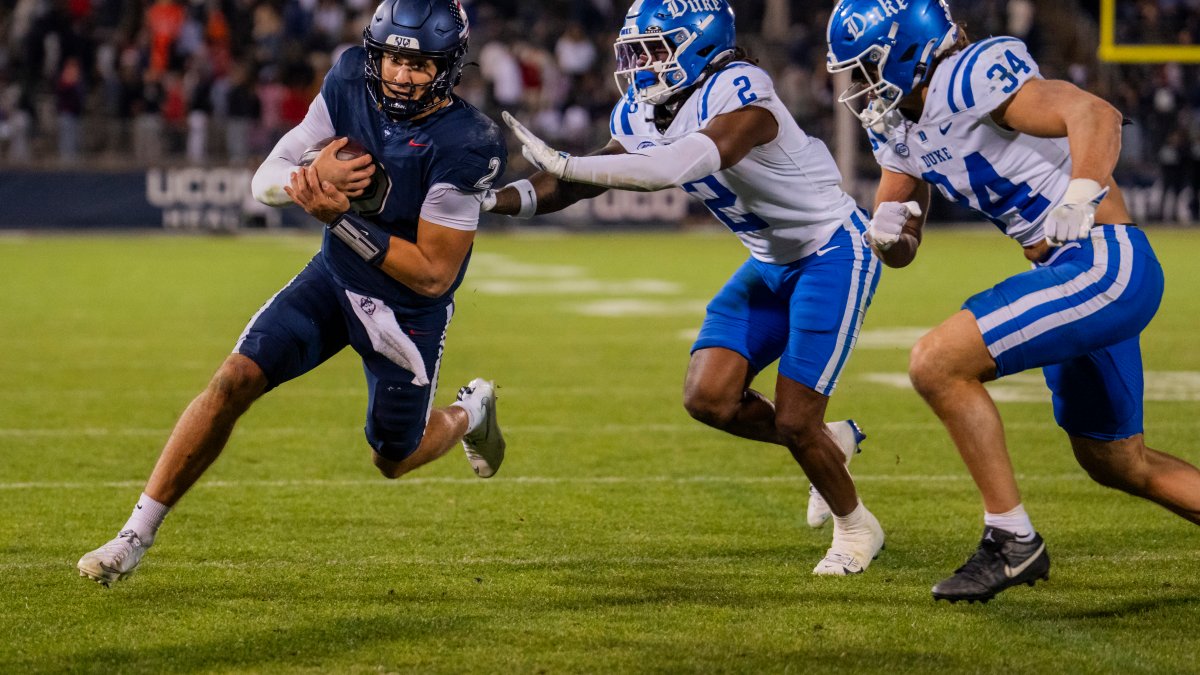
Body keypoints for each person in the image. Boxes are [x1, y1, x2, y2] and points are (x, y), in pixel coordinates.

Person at [77, 0, 508, 587]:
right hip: (334, 281)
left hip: (405, 314)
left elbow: (433, 273)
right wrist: (310, 180)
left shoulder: (468, 140)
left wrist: (340, 218)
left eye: (420, 65)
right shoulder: (351, 75)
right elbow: (265, 178)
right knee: (234, 379)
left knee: (393, 457)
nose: (401, 76)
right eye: (392, 60)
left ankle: (469, 411)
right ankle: (134, 534)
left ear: (450, 66)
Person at [490, 0, 884, 575]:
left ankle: (856, 527)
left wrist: (572, 164)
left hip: (831, 252)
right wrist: (495, 201)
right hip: (768, 261)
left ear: (699, 43)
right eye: (637, 52)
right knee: (709, 397)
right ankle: (833, 442)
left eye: (655, 49)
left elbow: (676, 166)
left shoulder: (742, 87)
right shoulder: (644, 111)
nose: (642, 65)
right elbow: (579, 181)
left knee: (798, 419)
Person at [826, 0, 1200, 602]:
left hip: (1104, 259)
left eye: (868, 65)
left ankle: (1011, 541)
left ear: (907, 47)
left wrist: (1080, 193)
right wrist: (890, 234)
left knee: (937, 361)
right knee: (1117, 462)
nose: (862, 84)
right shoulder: (895, 123)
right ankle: (1014, 540)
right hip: (1069, 272)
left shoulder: (970, 73)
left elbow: (1093, 112)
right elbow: (904, 240)